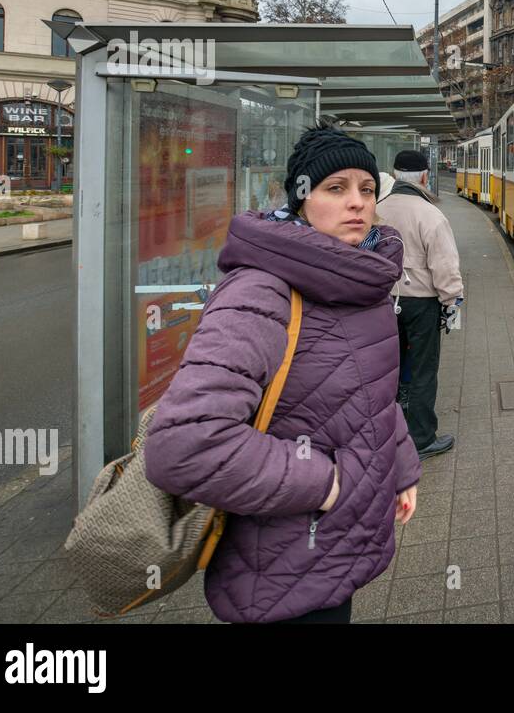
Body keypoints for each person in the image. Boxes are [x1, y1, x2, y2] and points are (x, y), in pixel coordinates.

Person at [144, 124, 421, 624]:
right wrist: (329, 484)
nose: (356, 202)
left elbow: (367, 391)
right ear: (300, 200)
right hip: (281, 564)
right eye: (335, 189)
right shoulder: (259, 292)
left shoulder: (359, 278)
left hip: (335, 547)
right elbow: (185, 444)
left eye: (366, 189)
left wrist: (400, 469)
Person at [375, 150, 464, 459]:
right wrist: (452, 303)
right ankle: (422, 438)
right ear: (425, 177)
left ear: (394, 174)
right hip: (422, 304)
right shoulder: (431, 215)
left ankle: (387, 431)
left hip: (384, 301)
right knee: (424, 370)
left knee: (389, 368)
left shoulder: (377, 209)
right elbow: (445, 267)